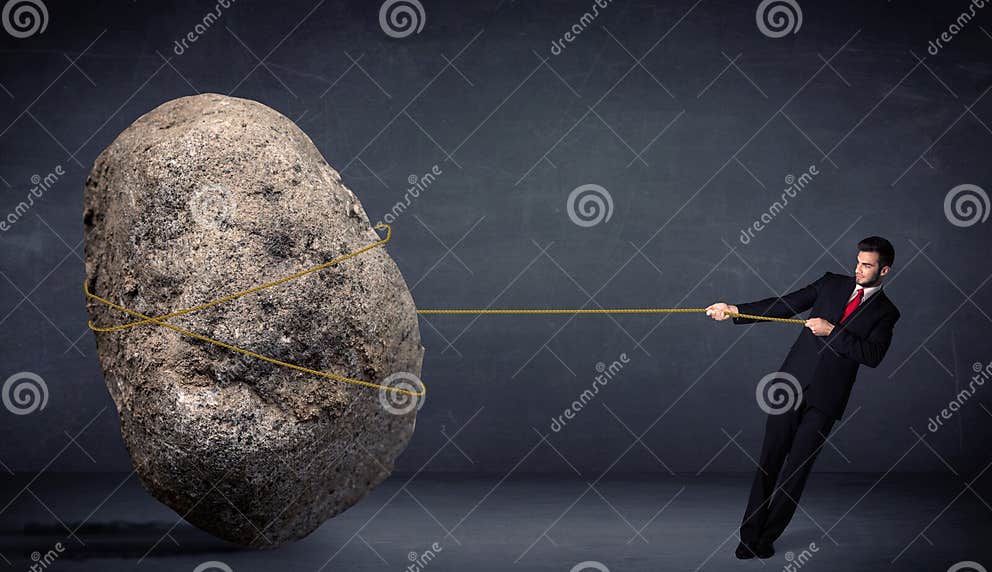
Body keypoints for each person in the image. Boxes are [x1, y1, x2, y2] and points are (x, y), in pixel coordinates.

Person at [705, 236, 901, 559]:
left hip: (826, 399)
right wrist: (734, 310)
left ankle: (767, 537)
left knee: (796, 471)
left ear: (885, 270)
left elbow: (872, 354)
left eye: (867, 265)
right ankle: (749, 536)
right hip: (789, 387)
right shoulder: (831, 284)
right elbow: (785, 304)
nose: (858, 269)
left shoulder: (886, 312)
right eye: (857, 262)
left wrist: (832, 332)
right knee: (769, 460)